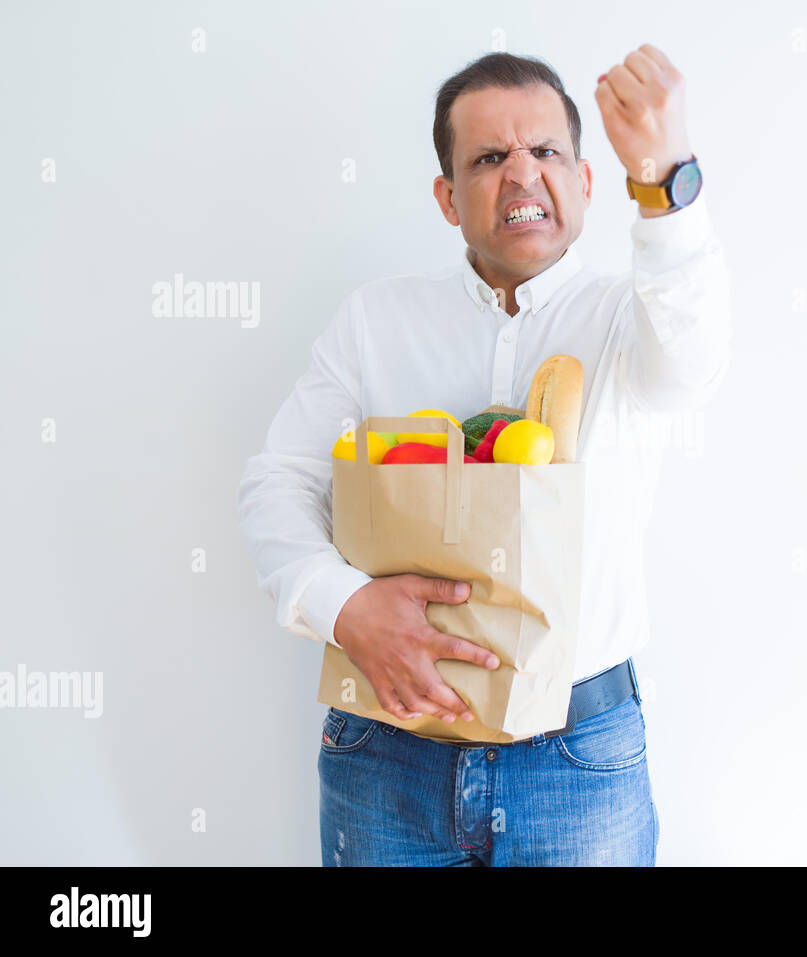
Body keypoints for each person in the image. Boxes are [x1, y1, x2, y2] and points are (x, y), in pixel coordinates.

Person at [237, 45, 732, 866]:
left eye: (546, 153)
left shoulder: (630, 320)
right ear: (447, 196)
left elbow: (694, 365)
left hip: (578, 759)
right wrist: (343, 605)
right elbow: (278, 480)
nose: (522, 175)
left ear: (585, 183)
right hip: (388, 750)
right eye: (489, 158)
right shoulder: (375, 322)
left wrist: (666, 175)